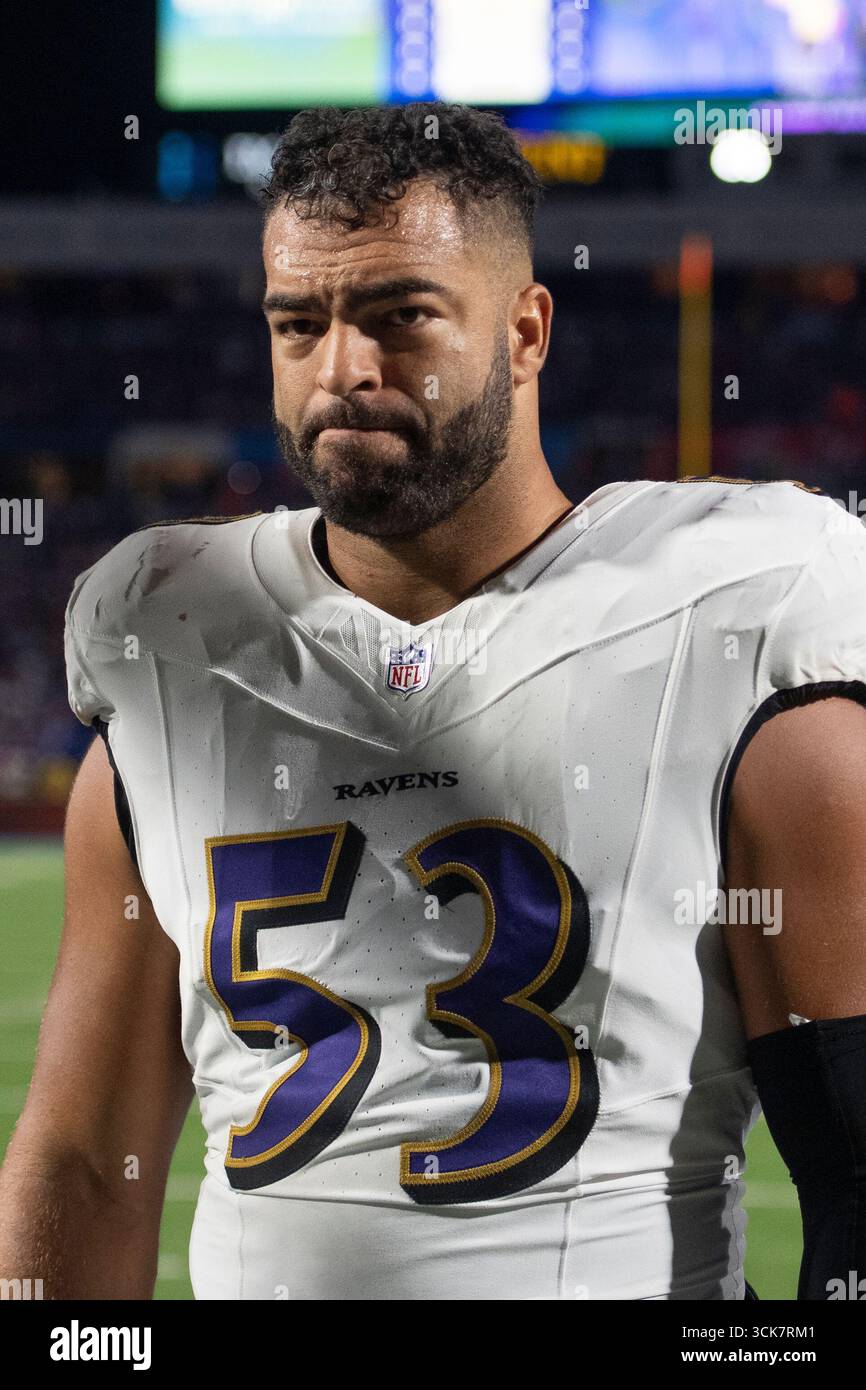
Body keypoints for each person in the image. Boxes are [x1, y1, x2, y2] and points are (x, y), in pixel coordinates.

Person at [3, 103, 866, 1301]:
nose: (341, 369)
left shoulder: (733, 615)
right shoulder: (167, 649)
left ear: (524, 329)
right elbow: (89, 1164)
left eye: (398, 315)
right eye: (296, 324)